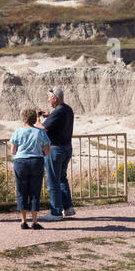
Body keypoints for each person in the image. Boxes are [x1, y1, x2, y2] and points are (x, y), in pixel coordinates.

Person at [39, 86, 75, 219]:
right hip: (67, 148)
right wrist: (49, 116)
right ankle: (68, 207)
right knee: (61, 178)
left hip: (55, 150)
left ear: (55, 98)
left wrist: (37, 120)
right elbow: (59, 121)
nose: (48, 101)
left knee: (53, 180)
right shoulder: (67, 109)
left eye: (49, 98)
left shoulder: (58, 111)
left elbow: (43, 128)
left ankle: (56, 212)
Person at [10, 108, 48, 230]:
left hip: (20, 162)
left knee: (21, 191)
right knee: (35, 191)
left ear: (23, 118)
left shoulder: (18, 132)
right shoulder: (40, 133)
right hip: (36, 161)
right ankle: (35, 221)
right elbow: (47, 151)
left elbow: (12, 150)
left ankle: (23, 221)